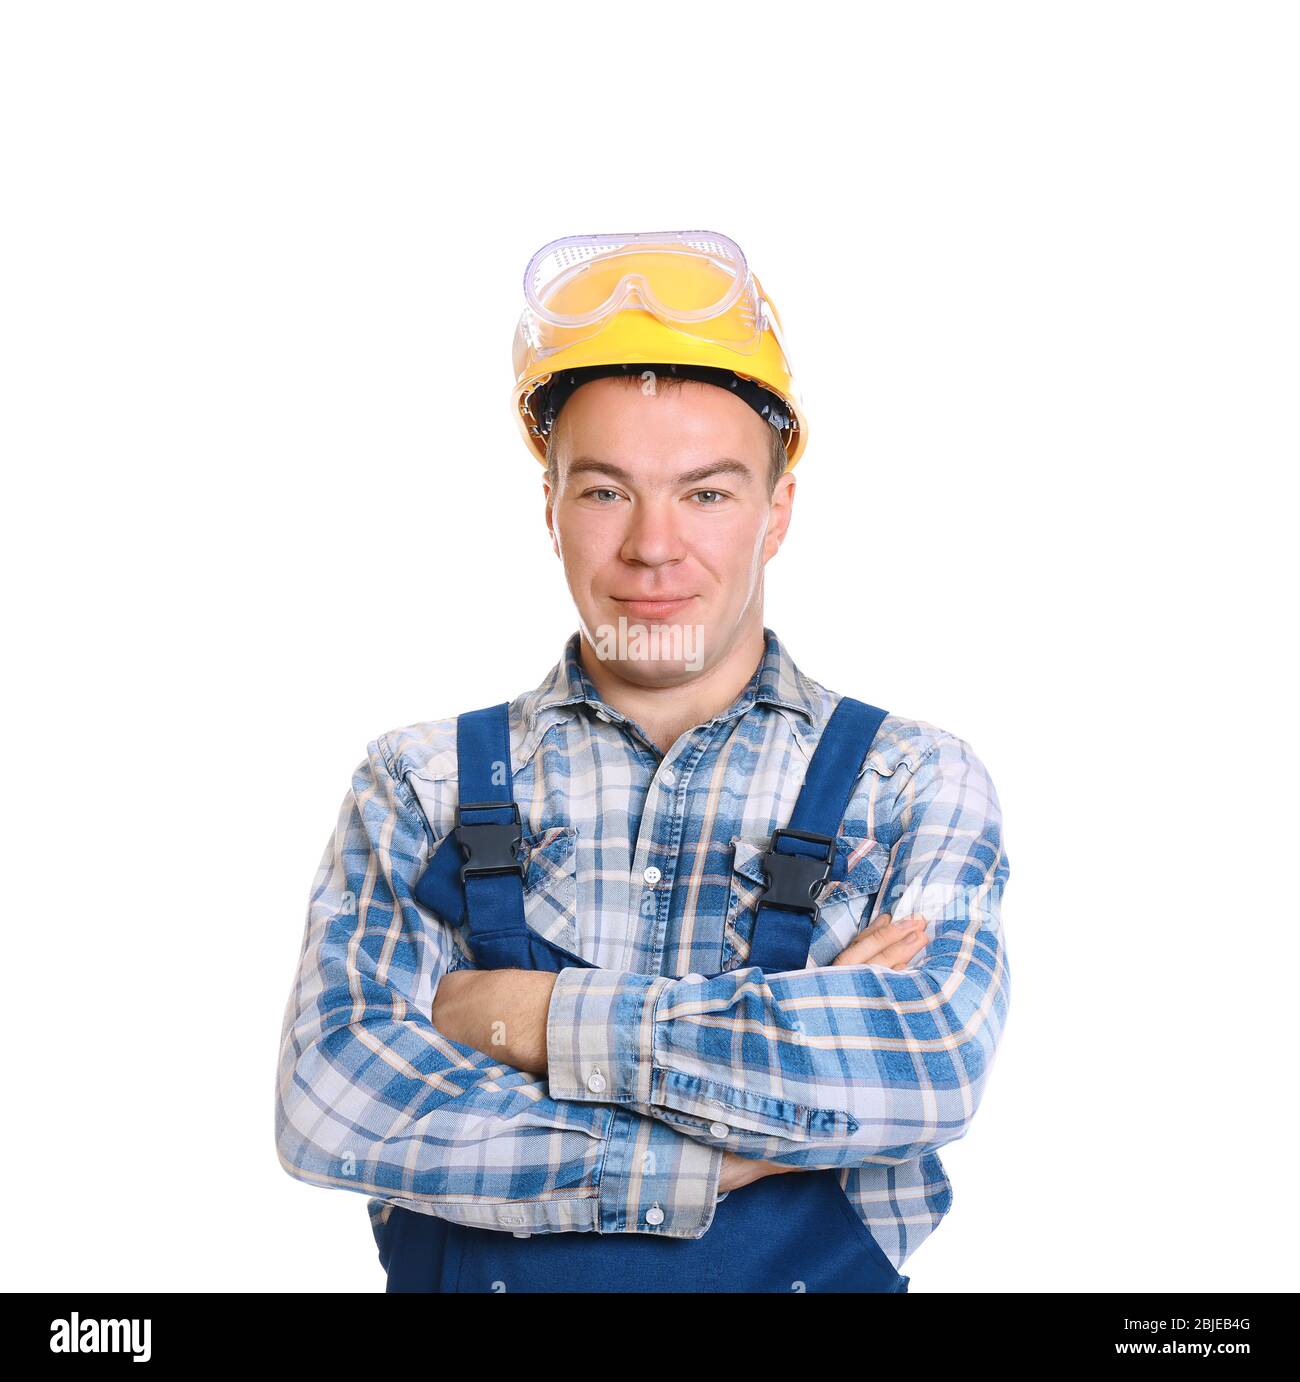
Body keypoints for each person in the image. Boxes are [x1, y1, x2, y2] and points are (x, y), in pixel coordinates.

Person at [274, 229, 1011, 1293]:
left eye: (707, 492)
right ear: (551, 506)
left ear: (778, 510)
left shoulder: (911, 780)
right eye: (605, 490)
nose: (653, 545)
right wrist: (751, 1138)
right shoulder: (420, 782)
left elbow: (925, 1065)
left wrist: (518, 1016)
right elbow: (333, 1099)